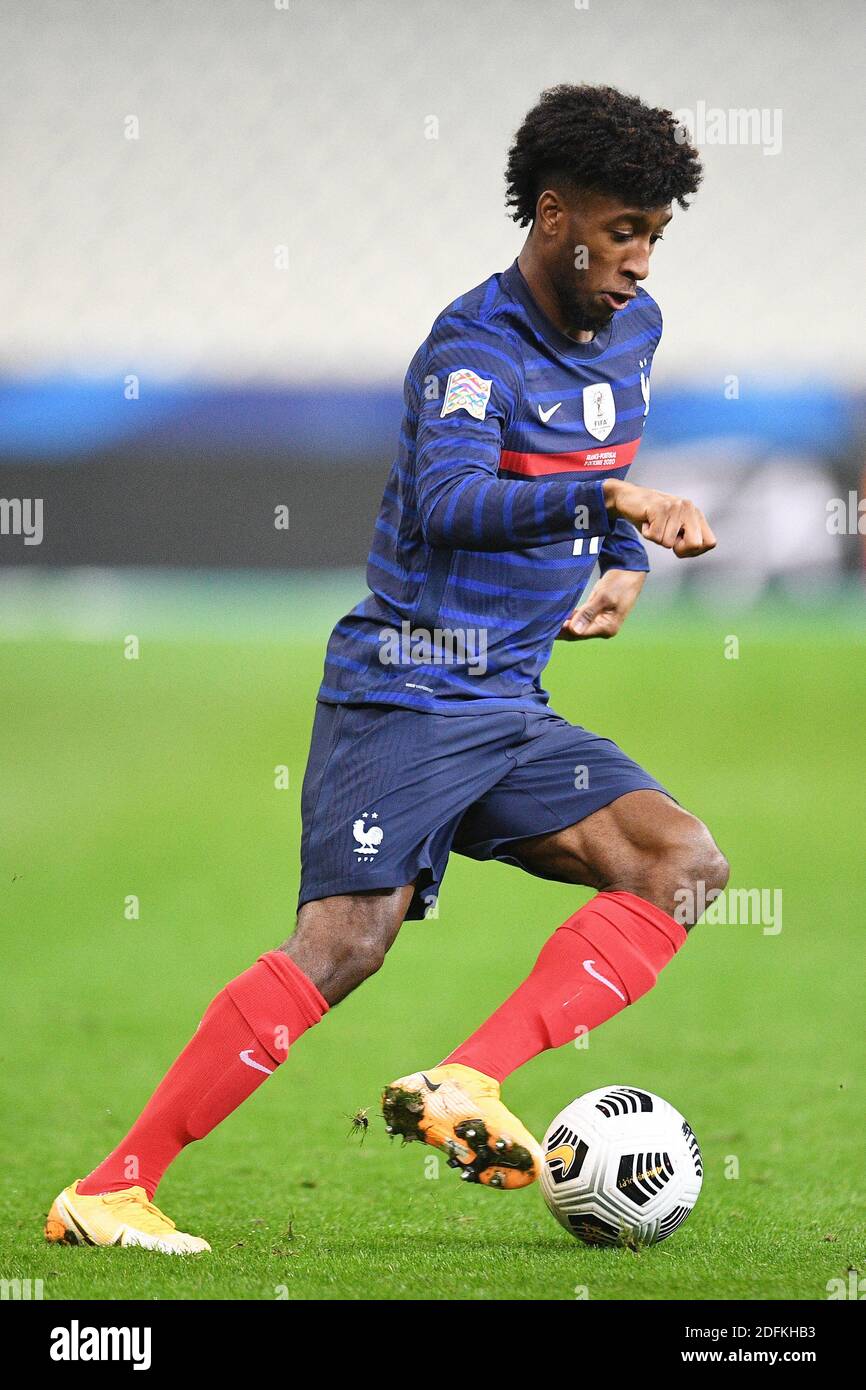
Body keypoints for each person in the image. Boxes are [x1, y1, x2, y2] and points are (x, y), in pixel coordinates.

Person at [46, 84, 728, 1254]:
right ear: (553, 213)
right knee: (349, 942)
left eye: (656, 236)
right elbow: (450, 501)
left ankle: (466, 1079)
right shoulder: (468, 350)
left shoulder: (635, 331)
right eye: (622, 231)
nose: (639, 262)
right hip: (409, 683)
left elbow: (603, 445)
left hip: (507, 698)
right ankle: (112, 1187)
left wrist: (618, 555)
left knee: (678, 864)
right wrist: (611, 501)